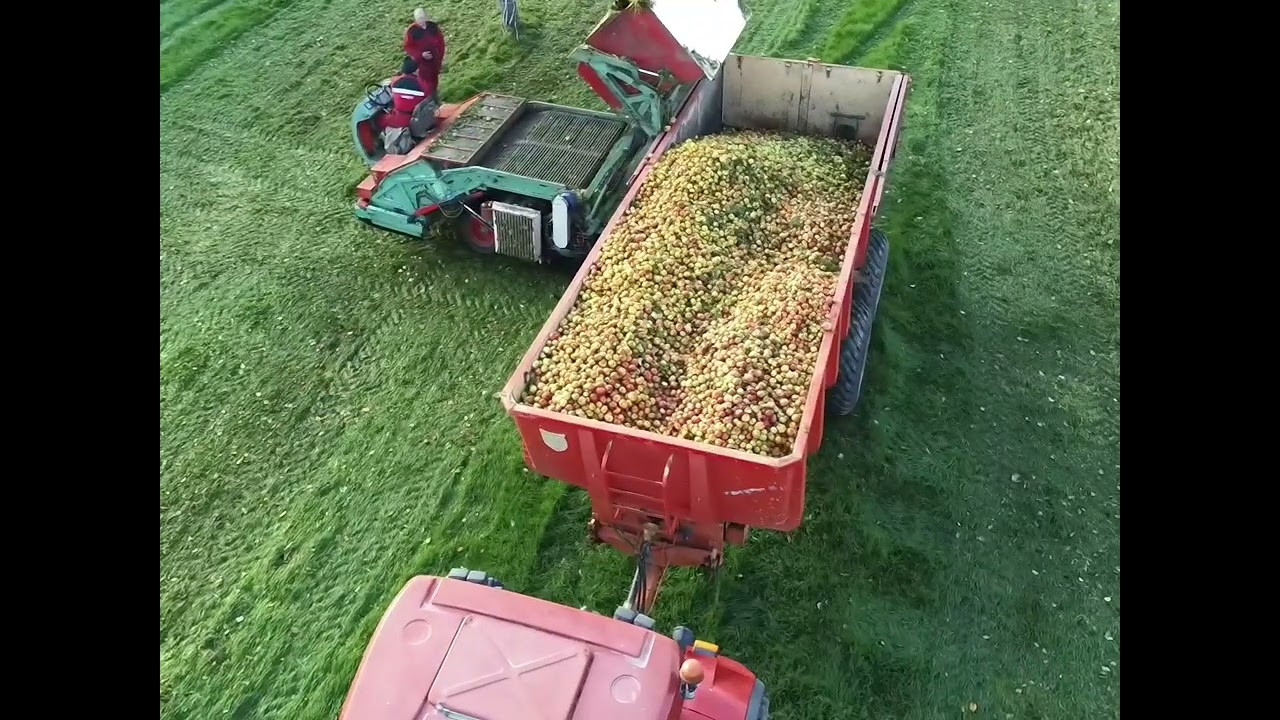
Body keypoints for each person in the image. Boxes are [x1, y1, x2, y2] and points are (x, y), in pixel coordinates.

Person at [379, 57, 430, 154]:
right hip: (418, 118)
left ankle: (381, 146)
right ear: (416, 70)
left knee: (380, 120)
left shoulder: (396, 82)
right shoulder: (422, 84)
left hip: (402, 118)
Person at [402, 8, 445, 102]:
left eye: (422, 18)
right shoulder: (412, 31)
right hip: (422, 65)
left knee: (434, 81)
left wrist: (440, 58)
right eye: (418, 19)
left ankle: (436, 101)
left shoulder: (433, 27)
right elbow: (408, 47)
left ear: (426, 17)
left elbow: (441, 43)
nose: (420, 21)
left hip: (434, 62)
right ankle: (428, 104)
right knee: (426, 85)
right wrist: (421, 55)